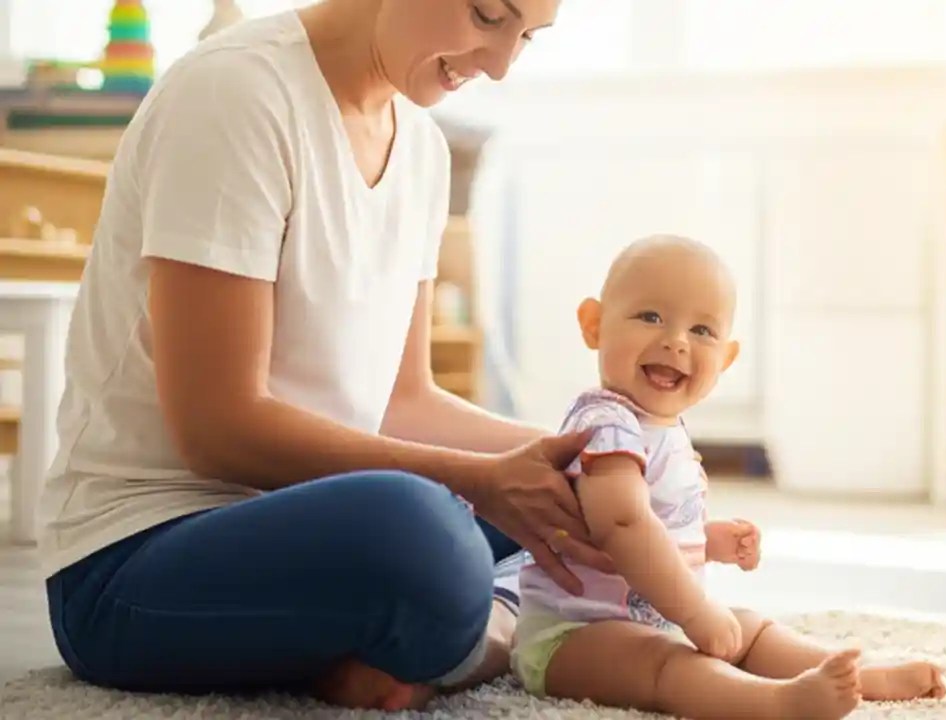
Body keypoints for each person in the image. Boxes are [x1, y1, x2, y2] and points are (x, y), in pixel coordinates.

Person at [38, 0, 608, 711]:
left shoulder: (421, 149)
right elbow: (218, 428)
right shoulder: (237, 95)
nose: (499, 64)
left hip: (312, 520)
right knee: (418, 534)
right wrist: (481, 482)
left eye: (526, 38)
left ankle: (445, 634)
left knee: (595, 507)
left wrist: (599, 457)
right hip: (134, 562)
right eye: (489, 15)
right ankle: (512, 626)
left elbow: (405, 404)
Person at [509, 235, 946, 719]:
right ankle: (776, 704)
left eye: (701, 330)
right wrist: (695, 613)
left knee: (751, 630)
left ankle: (861, 676)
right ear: (594, 325)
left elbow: (657, 524)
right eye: (650, 317)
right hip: (570, 637)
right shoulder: (605, 424)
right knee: (667, 663)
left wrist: (708, 541)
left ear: (726, 359)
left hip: (654, 621)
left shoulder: (664, 427)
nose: (676, 340)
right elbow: (623, 527)